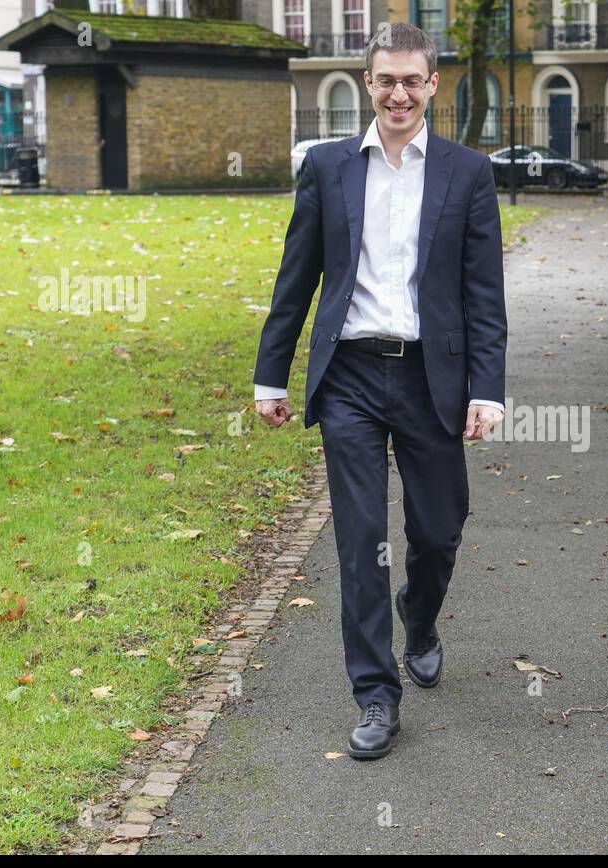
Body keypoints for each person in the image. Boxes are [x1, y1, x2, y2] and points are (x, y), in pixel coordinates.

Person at [252, 22, 507, 760]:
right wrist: (272, 374)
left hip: (435, 377)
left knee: (438, 529)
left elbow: (483, 294)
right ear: (368, 84)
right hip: (352, 379)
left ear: (433, 86)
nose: (399, 93)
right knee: (361, 541)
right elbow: (295, 279)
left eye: (412, 80)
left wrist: (485, 389)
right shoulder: (329, 168)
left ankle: (420, 618)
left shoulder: (467, 173)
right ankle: (375, 694)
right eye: (385, 80)